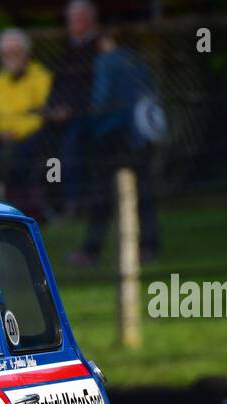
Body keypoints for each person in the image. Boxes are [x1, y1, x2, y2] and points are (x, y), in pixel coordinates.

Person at [75, 28, 162, 264]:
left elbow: (101, 99)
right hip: (139, 135)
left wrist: (89, 121)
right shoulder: (137, 61)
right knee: (143, 194)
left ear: (106, 40)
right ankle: (149, 246)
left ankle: (91, 249)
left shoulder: (106, 61)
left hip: (112, 136)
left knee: (101, 193)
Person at [0, 29, 52, 220]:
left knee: (17, 160)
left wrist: (16, 132)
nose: (11, 58)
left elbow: (41, 114)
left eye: (15, 53)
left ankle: (24, 209)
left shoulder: (41, 77)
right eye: (6, 54)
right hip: (0, 136)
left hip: (31, 136)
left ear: (26, 53)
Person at [43, 0, 101, 224]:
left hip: (87, 117)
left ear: (89, 20)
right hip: (60, 118)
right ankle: (48, 203)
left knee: (70, 147)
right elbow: (57, 87)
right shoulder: (68, 51)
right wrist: (53, 109)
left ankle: (74, 203)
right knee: (41, 146)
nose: (72, 24)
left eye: (77, 19)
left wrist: (70, 111)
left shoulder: (98, 49)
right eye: (71, 19)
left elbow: (96, 91)